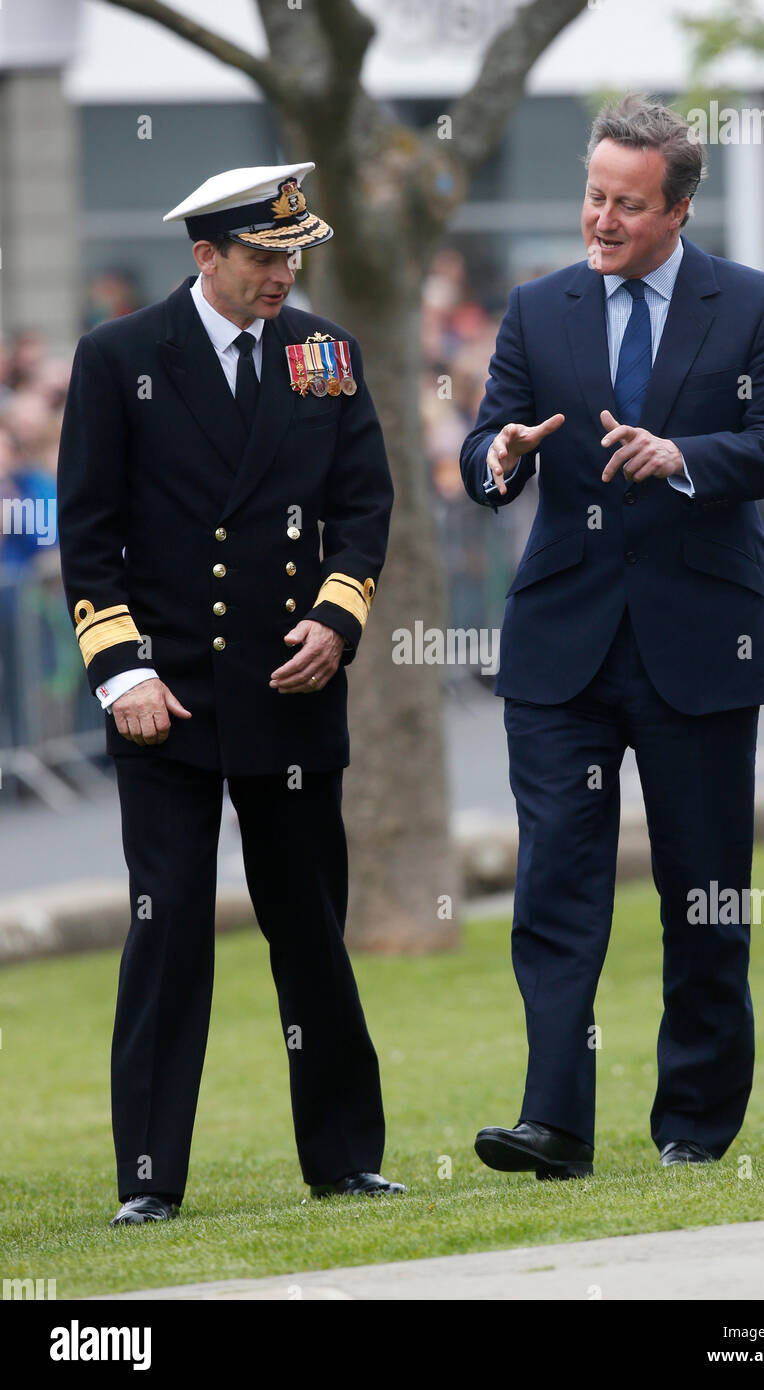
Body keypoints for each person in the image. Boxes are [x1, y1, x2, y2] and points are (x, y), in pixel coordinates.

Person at [460, 96, 764, 1178]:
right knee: (555, 888)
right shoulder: (536, 306)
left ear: (679, 207)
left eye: (626, 203)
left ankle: (693, 1127)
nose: (601, 220)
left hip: (704, 642)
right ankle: (553, 1124)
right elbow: (485, 444)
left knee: (703, 893)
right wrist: (501, 454)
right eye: (593, 196)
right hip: (562, 646)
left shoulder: (752, 303)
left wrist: (683, 455)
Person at [57, 163, 403, 1225]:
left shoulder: (324, 353)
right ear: (204, 256)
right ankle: (150, 1180)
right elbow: (88, 532)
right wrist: (123, 672)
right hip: (166, 696)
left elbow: (363, 502)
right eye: (263, 256)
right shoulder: (120, 358)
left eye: (293, 255)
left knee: (310, 925)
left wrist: (338, 618)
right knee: (168, 932)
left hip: (291, 689)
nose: (281, 275)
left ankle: (343, 1158)